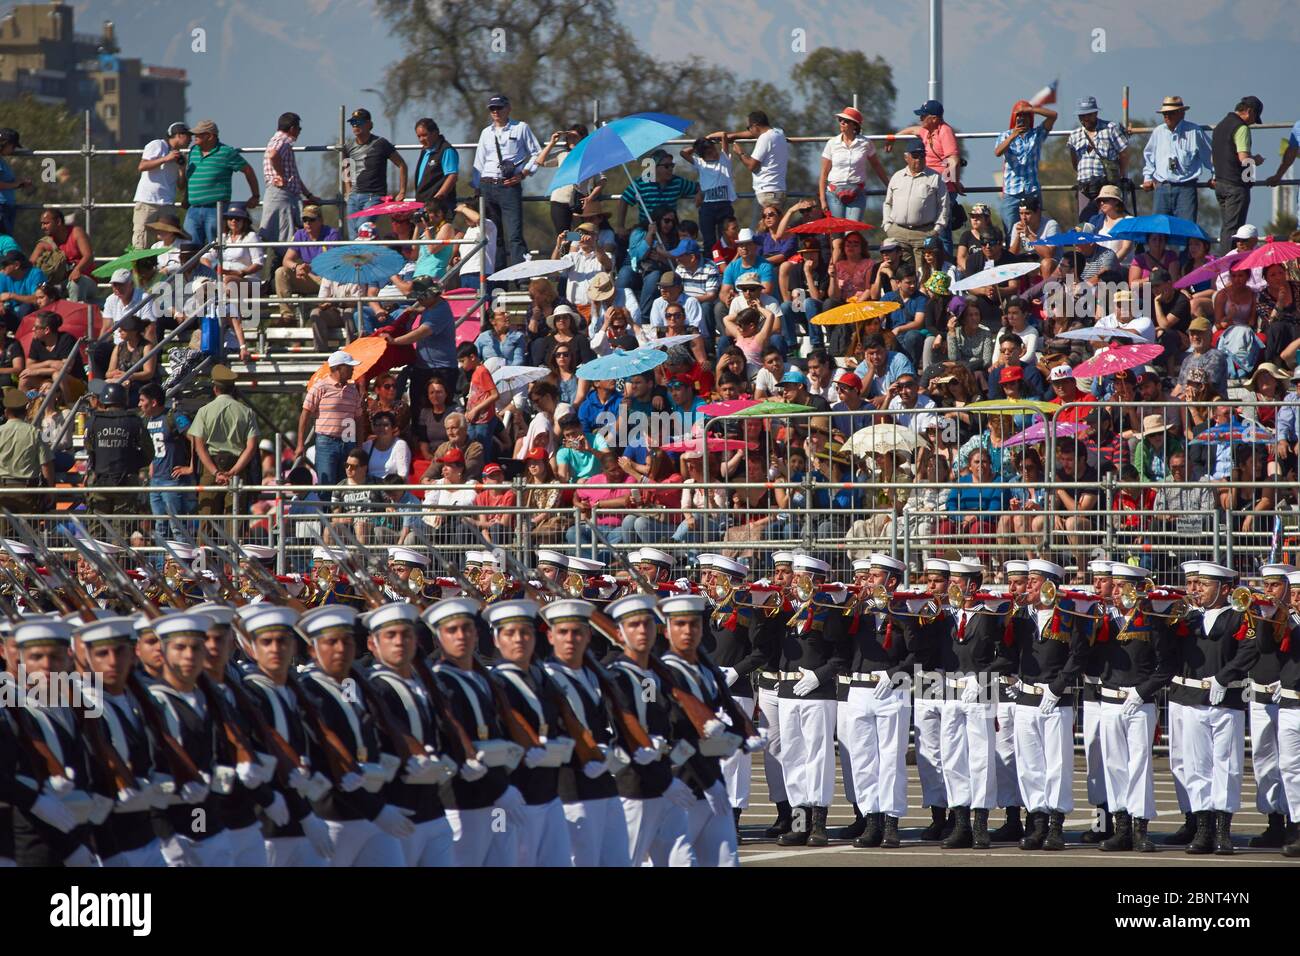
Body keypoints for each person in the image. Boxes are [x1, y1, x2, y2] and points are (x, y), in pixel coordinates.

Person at [1003, 559, 1091, 852]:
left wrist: (1058, 686)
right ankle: (1037, 821)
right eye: (1027, 580)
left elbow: (1078, 655)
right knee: (1030, 765)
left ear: (1051, 585)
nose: (1027, 585)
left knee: (1057, 764)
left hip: (1055, 697)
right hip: (1026, 695)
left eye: (1034, 580)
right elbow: (1007, 650)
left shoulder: (1067, 615)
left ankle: (1055, 825)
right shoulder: (1020, 616)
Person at [472, 95, 541, 266]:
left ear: (508, 108)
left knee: (515, 235)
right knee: (494, 235)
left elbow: (537, 153)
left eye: (499, 108)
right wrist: (476, 187)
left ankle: (521, 278)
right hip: (487, 184)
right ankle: (498, 279)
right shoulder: (485, 133)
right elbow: (479, 162)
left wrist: (524, 173)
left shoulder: (521, 128)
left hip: (509, 186)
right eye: (492, 109)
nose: (495, 111)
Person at [890, 99, 965, 255]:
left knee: (942, 229)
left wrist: (954, 182)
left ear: (934, 118)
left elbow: (953, 159)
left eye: (923, 116)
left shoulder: (945, 131)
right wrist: (895, 136)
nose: (920, 119)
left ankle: (945, 265)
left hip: (943, 185)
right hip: (927, 183)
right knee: (928, 226)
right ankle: (931, 260)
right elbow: (913, 130)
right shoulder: (927, 130)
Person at [381, 276, 457, 423]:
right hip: (424, 367)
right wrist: (415, 311)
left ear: (430, 295)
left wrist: (394, 341)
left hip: (441, 369)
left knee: (439, 411)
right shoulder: (431, 307)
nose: (418, 300)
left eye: (421, 297)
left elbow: (420, 332)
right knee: (418, 409)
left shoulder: (439, 311)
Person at [188, 364, 259, 516]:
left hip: (210, 466)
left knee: (207, 516)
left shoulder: (204, 411)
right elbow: (251, 447)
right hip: (237, 466)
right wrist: (234, 471)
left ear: (215, 389)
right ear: (233, 389)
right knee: (234, 519)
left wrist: (215, 472)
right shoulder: (247, 412)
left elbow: (199, 446)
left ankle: (205, 541)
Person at [183, 120, 260, 247]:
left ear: (210, 136)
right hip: (193, 208)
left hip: (216, 209)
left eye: (199, 134)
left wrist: (255, 195)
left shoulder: (226, 152)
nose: (194, 137)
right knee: (189, 247)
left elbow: (247, 170)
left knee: (216, 247)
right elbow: (190, 177)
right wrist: (186, 198)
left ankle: (215, 267)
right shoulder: (193, 151)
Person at [261, 112, 324, 263]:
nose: (299, 132)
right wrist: (281, 176)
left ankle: (274, 277)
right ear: (292, 128)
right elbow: (273, 154)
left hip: (284, 196)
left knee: (283, 238)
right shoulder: (282, 141)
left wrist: (308, 195)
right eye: (299, 129)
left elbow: (293, 174)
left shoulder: (279, 140)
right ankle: (274, 280)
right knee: (284, 241)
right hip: (281, 195)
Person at [296, 350, 364, 489]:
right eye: (349, 367)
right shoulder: (320, 387)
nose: (352, 369)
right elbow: (305, 414)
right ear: (338, 368)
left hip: (347, 441)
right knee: (326, 486)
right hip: (327, 441)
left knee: (347, 486)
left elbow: (359, 419)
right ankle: (328, 510)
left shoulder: (353, 389)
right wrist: (300, 443)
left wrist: (359, 445)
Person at [1141, 96, 1213, 224]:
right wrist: (1147, 178)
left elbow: (1210, 155)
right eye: (1165, 113)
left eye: (1171, 113)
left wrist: (1215, 176)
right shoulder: (1158, 132)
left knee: (1186, 231)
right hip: (1162, 186)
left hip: (1186, 187)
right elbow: (1149, 157)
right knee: (1159, 231)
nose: (1167, 116)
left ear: (1182, 113)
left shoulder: (1194, 131)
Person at [881, 139, 948, 273]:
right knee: (900, 272)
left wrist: (936, 230)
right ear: (907, 157)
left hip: (924, 232)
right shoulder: (897, 177)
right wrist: (887, 225)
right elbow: (887, 203)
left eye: (922, 156)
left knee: (923, 271)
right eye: (915, 156)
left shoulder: (935, 177)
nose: (919, 160)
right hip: (898, 231)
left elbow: (944, 205)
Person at [1211, 96, 1266, 254]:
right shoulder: (1241, 128)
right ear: (1249, 111)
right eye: (1255, 117)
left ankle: (1224, 262)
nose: (1254, 122)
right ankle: (1228, 267)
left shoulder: (1220, 126)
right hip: (1235, 185)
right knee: (1235, 230)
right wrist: (1256, 159)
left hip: (1220, 183)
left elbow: (1213, 157)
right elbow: (1244, 160)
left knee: (1226, 227)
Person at [819, 106, 889, 229]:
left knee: (852, 231)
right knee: (837, 234)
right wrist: (822, 199)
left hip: (857, 191)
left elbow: (876, 165)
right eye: (840, 120)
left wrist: (889, 186)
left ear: (854, 125)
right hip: (834, 191)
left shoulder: (865, 143)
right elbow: (824, 173)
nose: (841, 122)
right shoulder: (832, 143)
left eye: (845, 121)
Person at [994, 101, 1057, 232]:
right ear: (1014, 118)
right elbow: (998, 152)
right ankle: (1013, 252)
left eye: (1025, 115)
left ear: (1031, 117)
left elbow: (1053, 115)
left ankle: (1034, 252)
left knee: (1036, 229)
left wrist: (1031, 108)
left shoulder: (1037, 134)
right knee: (1011, 231)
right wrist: (1013, 135)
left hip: (1032, 190)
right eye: (1018, 115)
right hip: (1011, 191)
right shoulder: (1005, 135)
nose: (1021, 119)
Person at [343, 108, 407, 234]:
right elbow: (346, 167)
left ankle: (375, 247)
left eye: (359, 122)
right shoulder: (348, 146)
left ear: (369, 125)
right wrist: (348, 190)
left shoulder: (380, 143)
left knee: (362, 228)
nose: (355, 125)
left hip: (374, 196)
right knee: (353, 235)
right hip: (354, 197)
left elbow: (401, 164)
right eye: (353, 122)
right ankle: (361, 253)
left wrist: (402, 191)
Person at [1068, 96, 1131, 222]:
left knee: (1110, 221)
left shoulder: (1110, 128)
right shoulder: (1074, 135)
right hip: (1085, 187)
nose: (1085, 118)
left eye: (1088, 114)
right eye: (1081, 115)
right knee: (1086, 225)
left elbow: (1124, 153)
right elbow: (1074, 162)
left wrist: (1121, 175)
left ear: (1095, 113)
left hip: (1106, 185)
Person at [681, 132, 737, 252]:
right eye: (709, 152)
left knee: (726, 238)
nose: (714, 153)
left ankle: (726, 263)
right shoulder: (700, 163)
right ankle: (711, 264)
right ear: (702, 155)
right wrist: (698, 146)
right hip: (707, 207)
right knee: (709, 240)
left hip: (724, 205)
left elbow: (723, 135)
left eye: (714, 149)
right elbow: (683, 153)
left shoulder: (724, 159)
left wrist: (707, 138)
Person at [0, 387, 51, 510]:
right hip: (26, 490)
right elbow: (46, 464)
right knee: (28, 528)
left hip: (2, 490)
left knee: (4, 528)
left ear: (6, 412)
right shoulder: (37, 433)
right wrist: (50, 490)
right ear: (26, 411)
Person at [30, 208, 96, 303]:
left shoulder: (76, 232)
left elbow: (88, 256)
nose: (42, 227)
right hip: (59, 283)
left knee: (75, 282)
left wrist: (77, 270)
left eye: (46, 223)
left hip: (85, 280)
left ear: (58, 221)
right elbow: (30, 265)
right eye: (42, 223)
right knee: (43, 289)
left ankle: (75, 314)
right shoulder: (45, 243)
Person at [729, 111, 789, 214]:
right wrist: (733, 135)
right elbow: (752, 134)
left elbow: (752, 166)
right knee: (773, 225)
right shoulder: (778, 133)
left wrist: (740, 153)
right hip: (778, 189)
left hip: (768, 191)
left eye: (749, 128)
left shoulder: (765, 138)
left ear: (755, 126)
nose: (749, 131)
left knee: (771, 227)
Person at [458, 342, 500, 461]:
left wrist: (475, 410)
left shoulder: (482, 371)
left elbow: (495, 395)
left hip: (483, 420)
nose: (461, 365)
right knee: (472, 449)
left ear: (472, 357)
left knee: (481, 452)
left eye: (462, 361)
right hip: (475, 419)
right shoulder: (475, 372)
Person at [412, 117, 461, 215]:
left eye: (424, 135)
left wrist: (437, 199)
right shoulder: (425, 150)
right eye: (419, 136)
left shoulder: (446, 150)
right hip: (423, 205)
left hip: (439, 208)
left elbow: (452, 176)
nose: (421, 139)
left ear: (435, 133)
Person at [0, 127, 33, 237]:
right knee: (4, 243)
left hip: (6, 207)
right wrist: (15, 184)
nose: (13, 150)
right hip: (1, 207)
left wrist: (19, 184)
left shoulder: (2, 161)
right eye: (13, 146)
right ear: (6, 143)